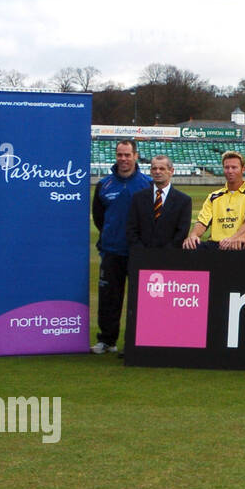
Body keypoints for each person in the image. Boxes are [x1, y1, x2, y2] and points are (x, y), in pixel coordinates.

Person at [91, 139, 152, 353]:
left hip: (138, 252)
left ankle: (134, 342)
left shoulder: (147, 184)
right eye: (120, 155)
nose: (123, 159)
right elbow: (99, 218)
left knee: (139, 300)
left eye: (127, 155)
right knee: (109, 298)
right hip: (112, 251)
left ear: (136, 156)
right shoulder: (104, 185)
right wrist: (110, 236)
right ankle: (107, 341)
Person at [182, 151, 245, 250]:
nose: (230, 171)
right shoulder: (214, 196)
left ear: (243, 169)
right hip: (216, 244)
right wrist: (193, 235)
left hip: (241, 243)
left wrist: (233, 238)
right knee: (189, 245)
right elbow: (202, 222)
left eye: (234, 167)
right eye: (227, 167)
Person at [126, 154, 191, 249]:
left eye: (162, 169)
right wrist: (141, 251)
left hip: (169, 258)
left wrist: (162, 254)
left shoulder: (183, 201)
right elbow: (131, 229)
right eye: (154, 168)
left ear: (171, 171)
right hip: (141, 257)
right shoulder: (138, 198)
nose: (157, 172)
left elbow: (182, 232)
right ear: (150, 171)